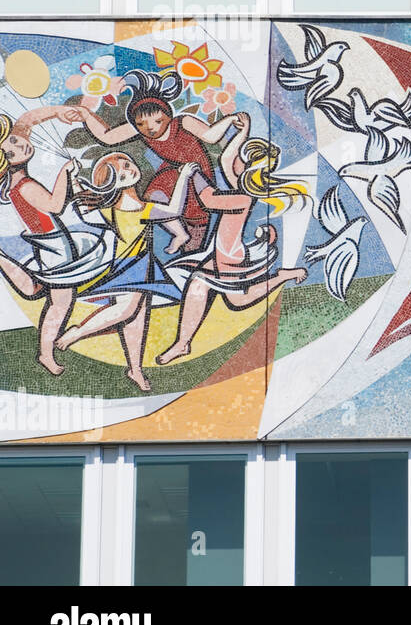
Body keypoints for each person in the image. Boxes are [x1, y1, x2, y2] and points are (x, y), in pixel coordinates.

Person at [155, 114, 308, 366]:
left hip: (230, 256)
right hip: (227, 252)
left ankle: (182, 344)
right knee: (237, 297)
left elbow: (208, 200)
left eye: (241, 162)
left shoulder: (241, 198)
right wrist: (244, 130)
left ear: (248, 171)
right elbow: (226, 157)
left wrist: (194, 174)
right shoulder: (240, 187)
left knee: (200, 285)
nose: (233, 162)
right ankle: (282, 276)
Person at [55, 154, 198, 392]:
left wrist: (73, 179)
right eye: (121, 174)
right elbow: (174, 209)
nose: (129, 171)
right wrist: (183, 177)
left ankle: (135, 369)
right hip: (129, 266)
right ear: (111, 184)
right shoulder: (135, 208)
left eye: (127, 165)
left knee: (136, 321)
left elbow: (83, 202)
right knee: (127, 310)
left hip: (142, 264)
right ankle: (77, 332)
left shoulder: (118, 207)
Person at [68, 70, 251, 254]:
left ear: (167, 114)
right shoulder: (142, 131)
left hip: (197, 171)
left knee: (203, 212)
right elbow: (107, 137)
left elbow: (210, 136)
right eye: (142, 124)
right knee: (154, 194)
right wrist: (86, 115)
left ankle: (204, 239)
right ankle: (180, 234)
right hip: (173, 172)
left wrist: (230, 119)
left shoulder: (182, 122)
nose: (151, 128)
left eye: (157, 120)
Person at [0, 108, 107, 377]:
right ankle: (46, 354)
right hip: (53, 247)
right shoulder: (24, 186)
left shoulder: (18, 176)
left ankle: (21, 277)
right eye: (10, 152)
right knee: (60, 303)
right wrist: (64, 172)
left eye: (13, 140)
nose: (19, 145)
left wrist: (59, 112)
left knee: (43, 291)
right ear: (6, 164)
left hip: (53, 243)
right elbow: (54, 205)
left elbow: (26, 121)